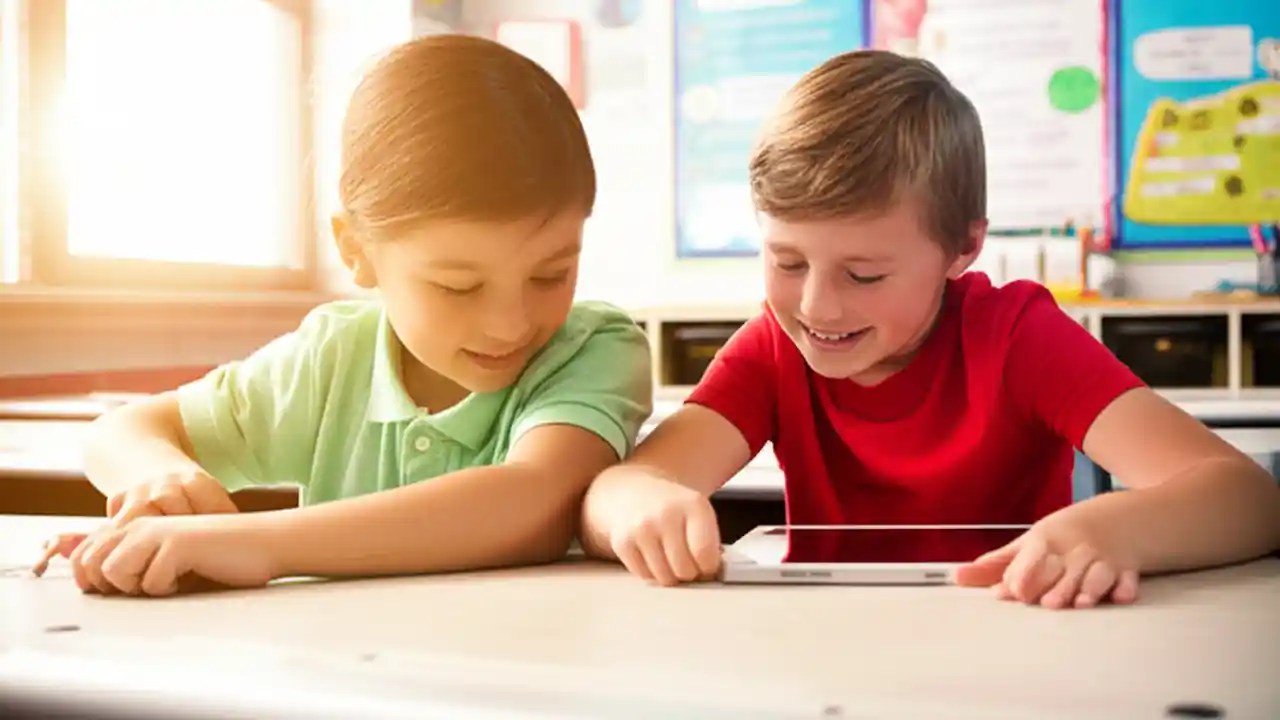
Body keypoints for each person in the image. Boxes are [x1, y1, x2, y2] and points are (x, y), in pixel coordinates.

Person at [578, 50, 1280, 609]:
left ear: (963, 248)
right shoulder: (773, 346)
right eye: (787, 261)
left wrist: (1111, 528)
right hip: (830, 665)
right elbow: (617, 491)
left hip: (1006, 653)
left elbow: (1249, 500)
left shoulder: (1017, 338)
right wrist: (643, 502)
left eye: (865, 275)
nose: (817, 308)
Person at [50, 34, 652, 597]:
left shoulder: (593, 349)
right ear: (356, 251)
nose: (511, 323)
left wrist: (250, 544)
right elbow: (120, 432)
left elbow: (531, 504)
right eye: (458, 286)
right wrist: (164, 497)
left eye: (551, 275)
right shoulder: (331, 359)